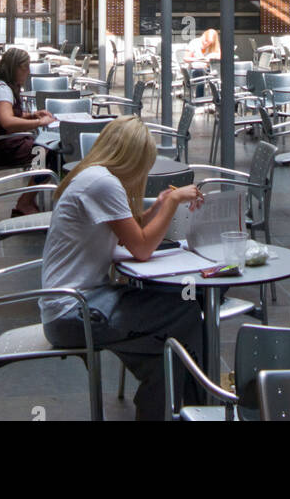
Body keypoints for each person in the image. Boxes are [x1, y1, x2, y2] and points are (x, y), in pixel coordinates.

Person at [40, 114, 206, 421]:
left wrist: (156, 206)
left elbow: (128, 232)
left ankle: (188, 408)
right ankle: (203, 408)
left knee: (160, 353)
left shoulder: (92, 176)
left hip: (67, 307)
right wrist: (171, 205)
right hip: (75, 311)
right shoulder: (104, 183)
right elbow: (141, 248)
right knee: (186, 312)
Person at [0, 47, 57, 214]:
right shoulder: (2, 90)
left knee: (46, 149)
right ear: (13, 68)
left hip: (5, 144)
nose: (28, 72)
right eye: (25, 67)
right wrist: (38, 121)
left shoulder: (2, 87)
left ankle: (28, 198)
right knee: (47, 152)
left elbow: (10, 115)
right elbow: (7, 122)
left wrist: (31, 115)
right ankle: (25, 202)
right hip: (1, 149)